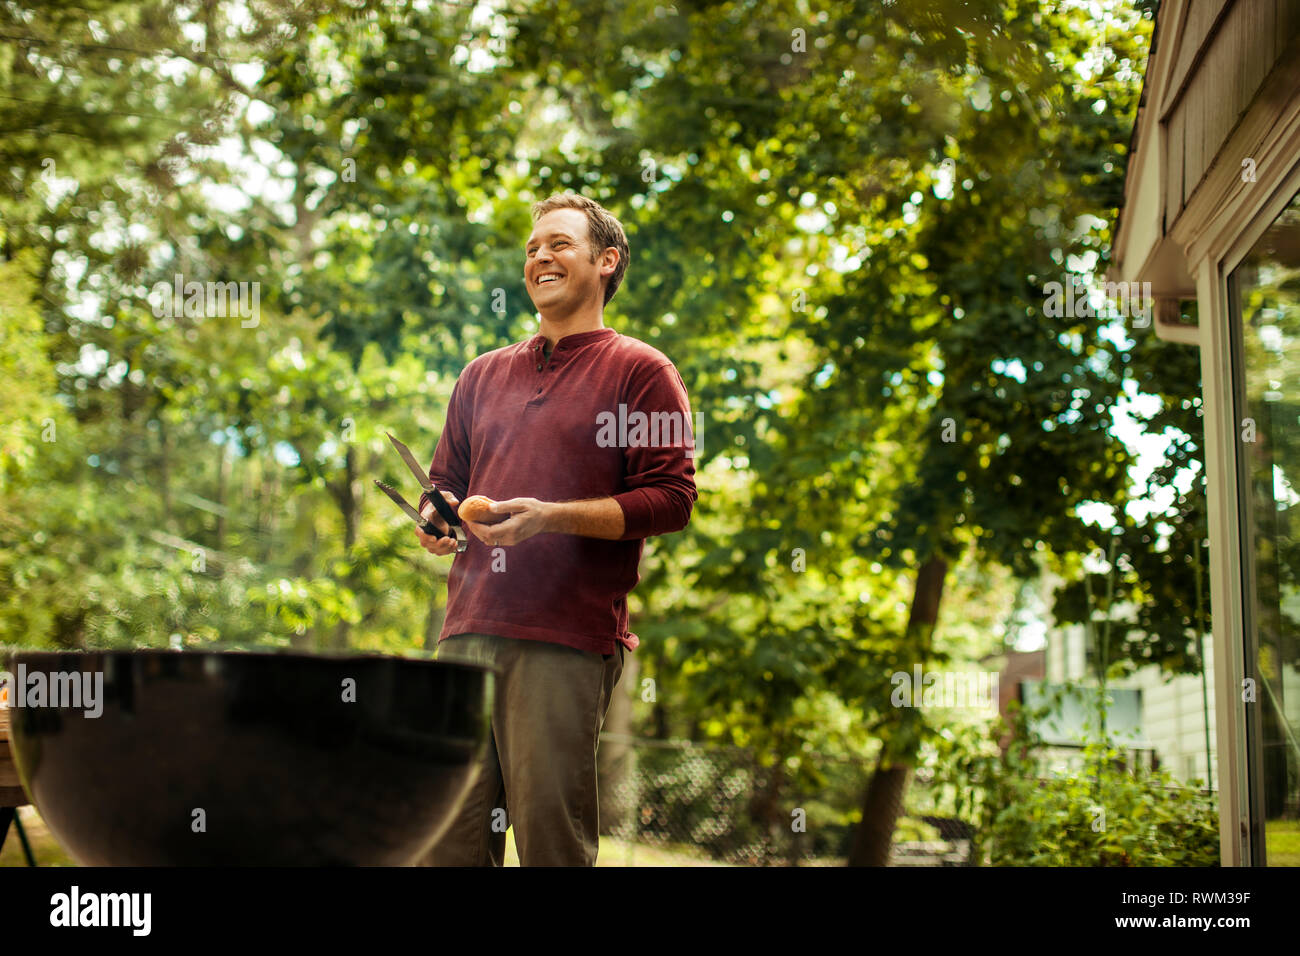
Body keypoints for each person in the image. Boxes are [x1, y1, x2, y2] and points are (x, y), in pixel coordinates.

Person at [414, 192, 697, 866]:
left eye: (559, 243)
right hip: (465, 634)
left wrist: (550, 519)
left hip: (564, 639)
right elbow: (444, 482)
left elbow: (672, 497)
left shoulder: (641, 371)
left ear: (606, 261)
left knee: (551, 843)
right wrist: (438, 517)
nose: (540, 255)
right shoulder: (480, 375)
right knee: (441, 841)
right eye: (532, 248)